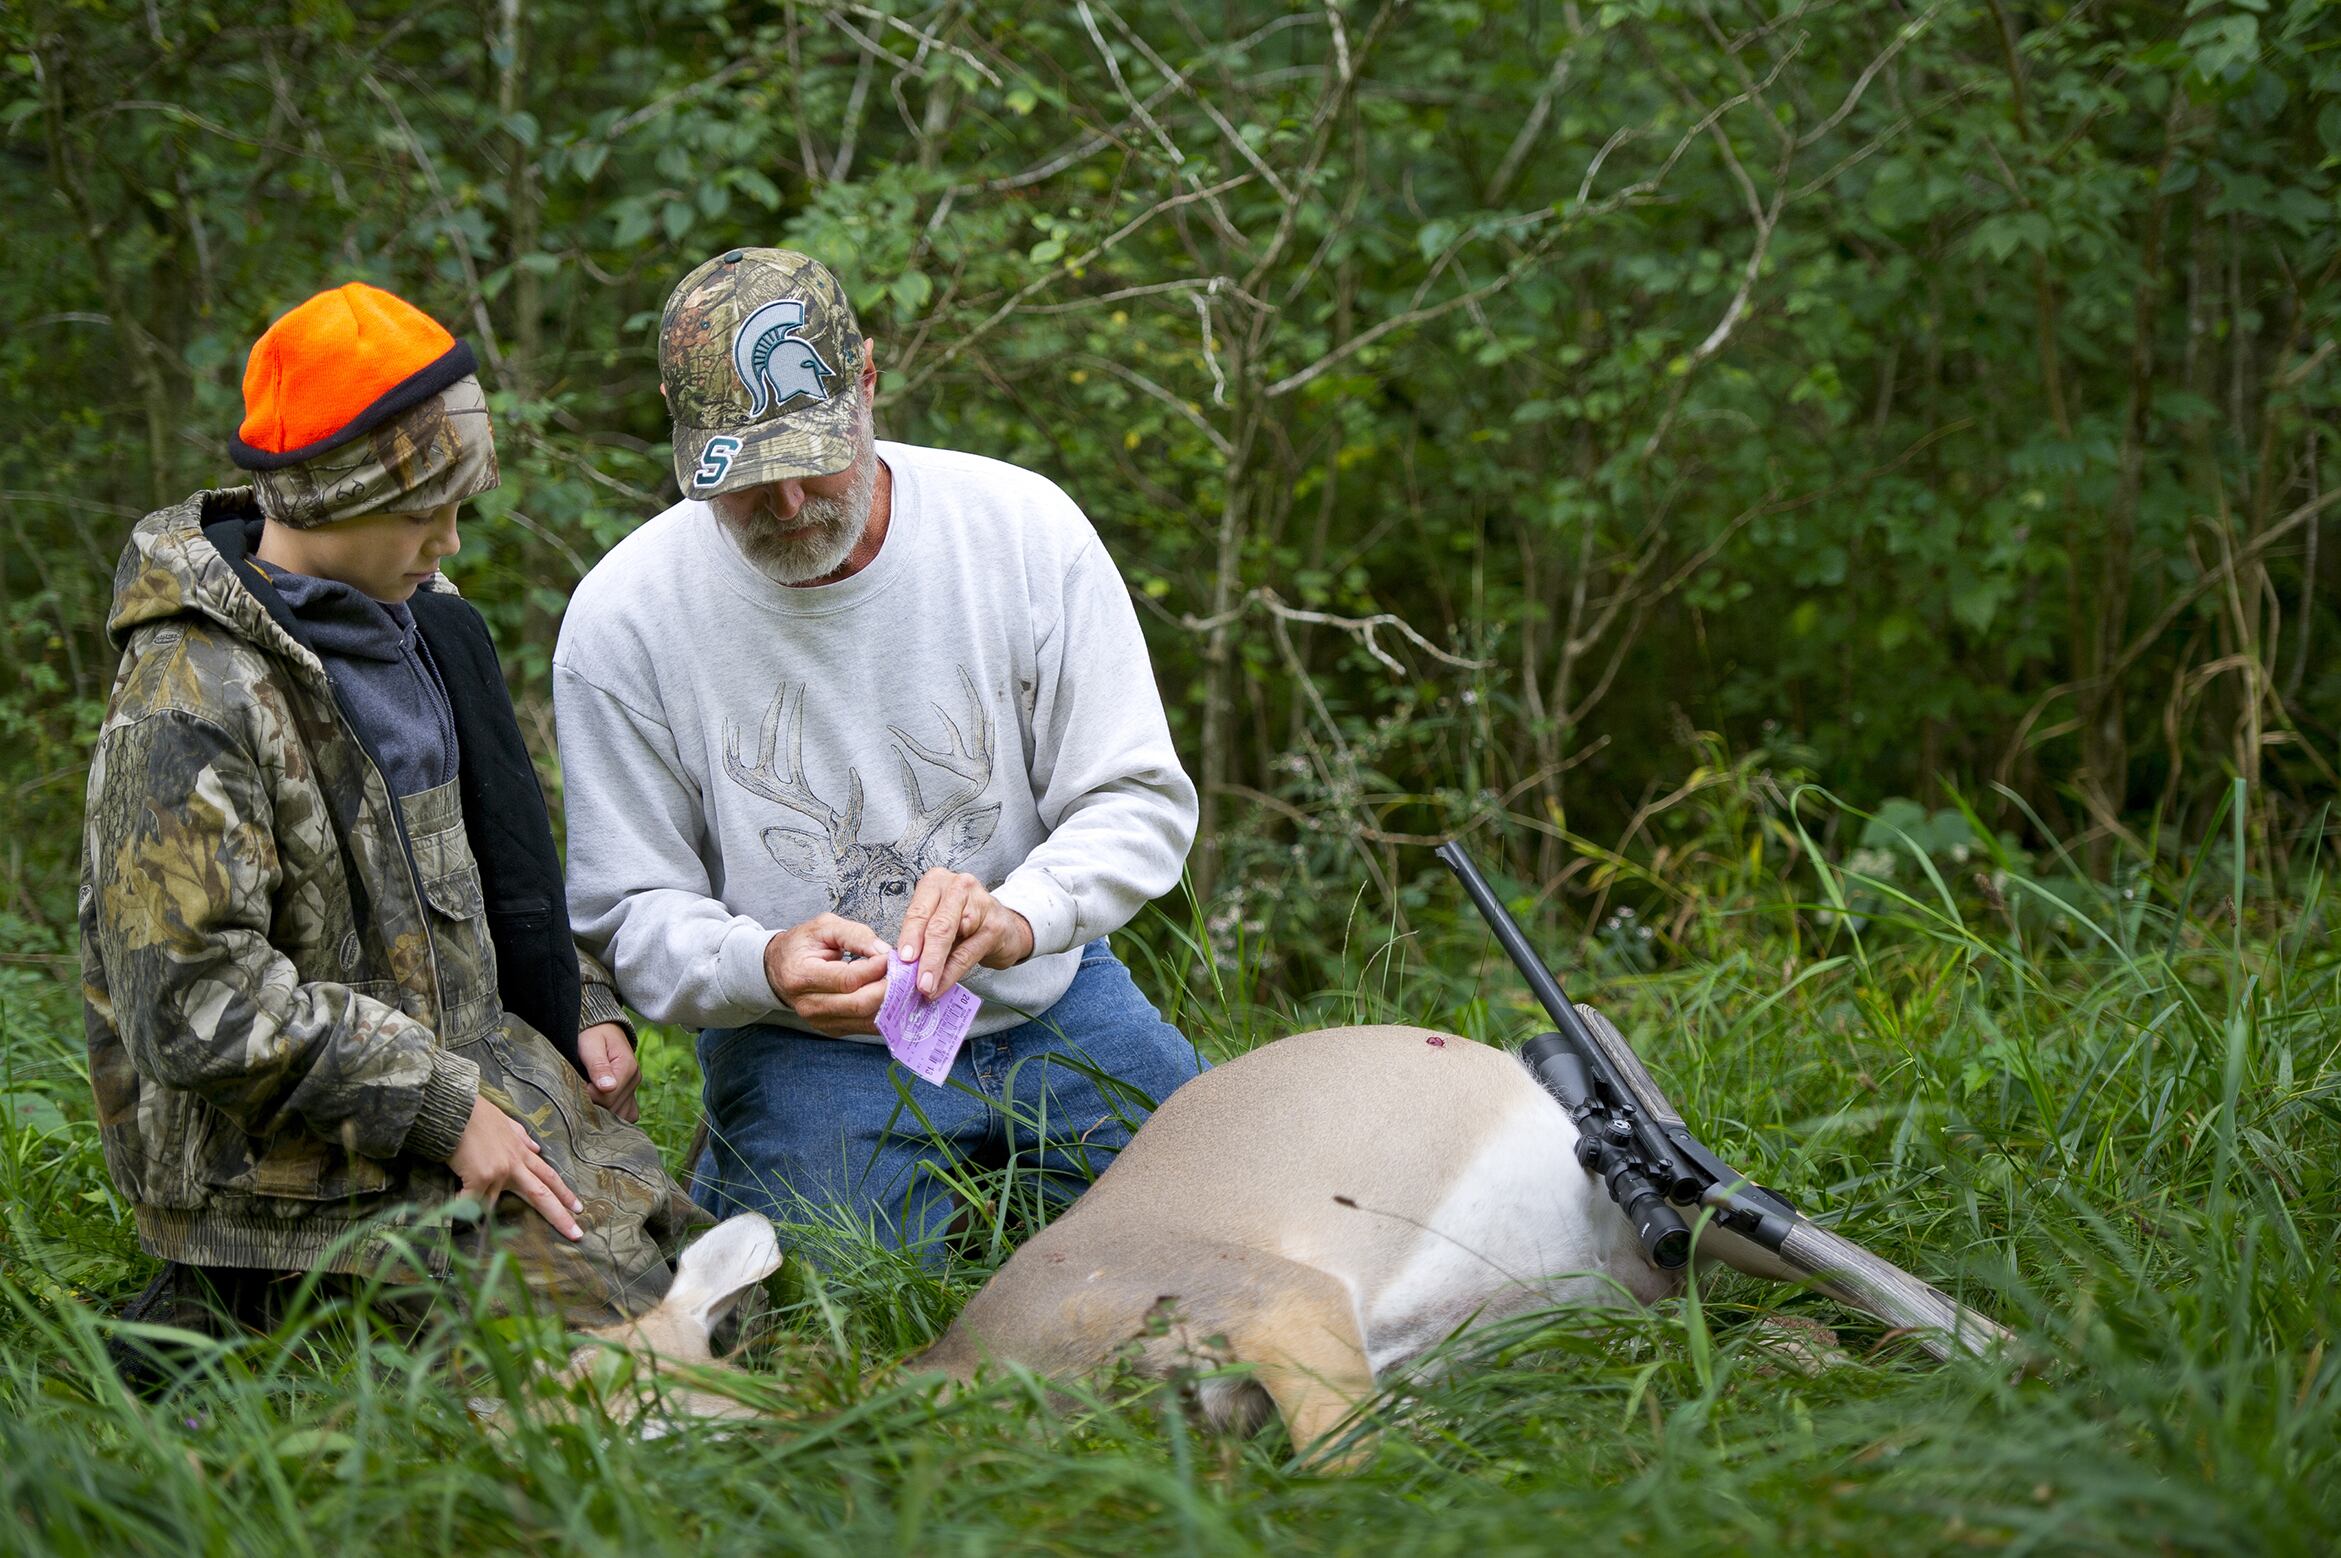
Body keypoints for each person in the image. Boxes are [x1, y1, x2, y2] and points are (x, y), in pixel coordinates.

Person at [81, 282, 703, 1343]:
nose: (451, 543)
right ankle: (217, 1323)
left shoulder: (426, 624)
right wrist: (442, 1106)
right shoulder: (188, 697)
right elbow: (193, 1001)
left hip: (468, 1084)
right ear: (331, 498)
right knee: (620, 1357)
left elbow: (490, 872)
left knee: (718, 1287)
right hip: (288, 1181)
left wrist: (582, 995)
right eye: (426, 513)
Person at [553, 247, 1201, 1262]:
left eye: (811, 459)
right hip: (802, 1043)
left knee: (1218, 1234)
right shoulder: (625, 619)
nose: (789, 506)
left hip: (1058, 1000)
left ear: (866, 383)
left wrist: (1021, 917)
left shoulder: (1022, 532)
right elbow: (627, 909)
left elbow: (1136, 797)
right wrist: (759, 963)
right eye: (747, 479)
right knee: (838, 1315)